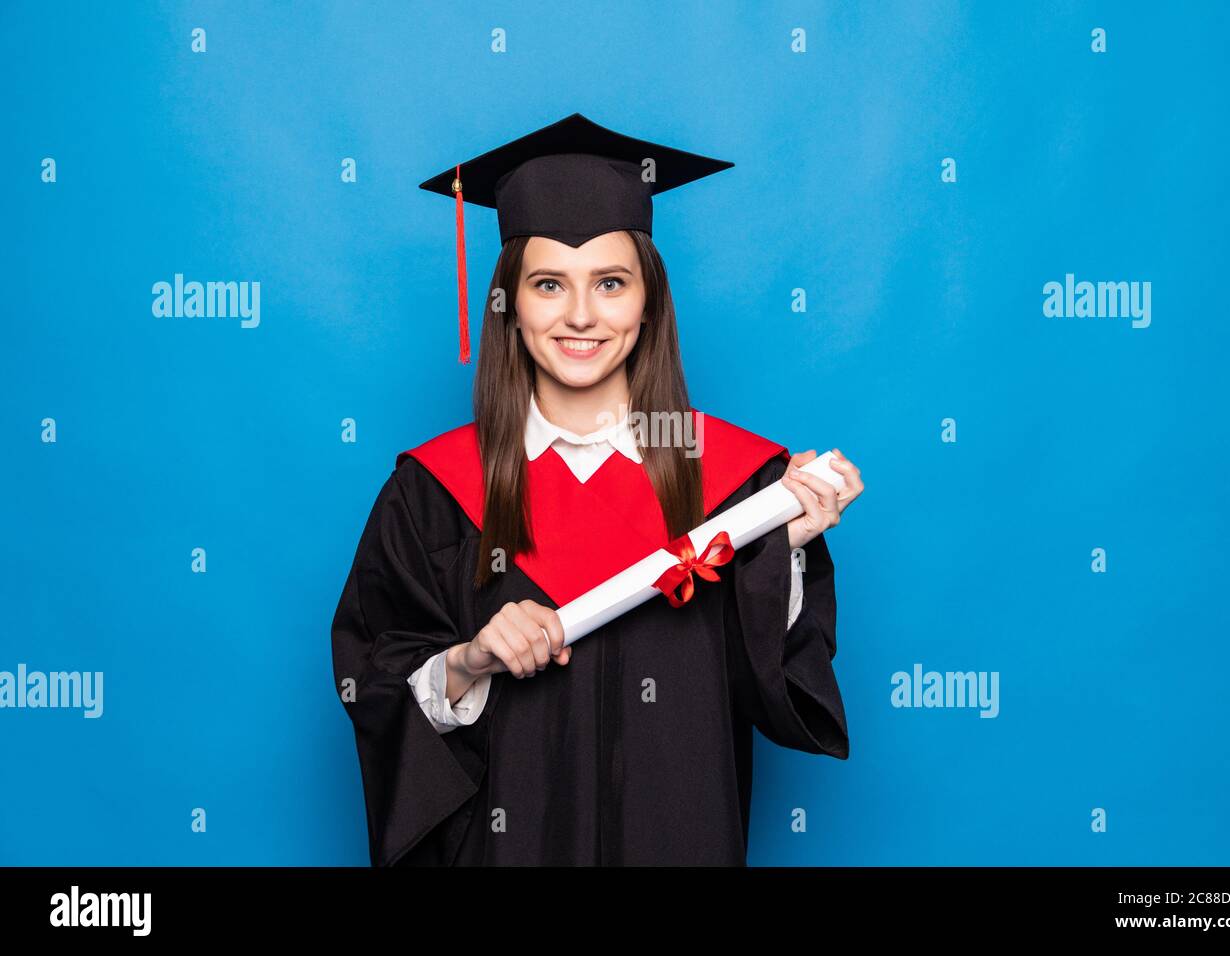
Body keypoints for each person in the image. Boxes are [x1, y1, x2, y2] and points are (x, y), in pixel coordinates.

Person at [331, 113, 863, 866]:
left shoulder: (734, 484)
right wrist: (468, 663)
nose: (581, 315)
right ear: (509, 306)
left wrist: (787, 550)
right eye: (549, 284)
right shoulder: (435, 491)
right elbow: (372, 681)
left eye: (611, 283)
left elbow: (766, 689)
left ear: (648, 304)